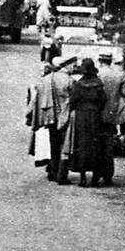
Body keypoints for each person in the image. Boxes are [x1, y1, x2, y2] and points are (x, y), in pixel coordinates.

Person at [66, 59, 107, 188]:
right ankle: (95, 177)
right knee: (95, 145)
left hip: (81, 116)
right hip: (94, 115)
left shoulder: (78, 85)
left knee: (81, 145)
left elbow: (72, 101)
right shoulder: (98, 84)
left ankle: (83, 177)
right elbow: (103, 100)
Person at [95, 48, 125, 187]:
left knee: (96, 144)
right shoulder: (119, 75)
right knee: (108, 145)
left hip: (97, 113)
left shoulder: (97, 75)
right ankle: (108, 174)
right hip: (112, 113)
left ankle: (97, 174)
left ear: (101, 61)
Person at [46, 56, 74, 184]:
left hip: (51, 114)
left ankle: (52, 171)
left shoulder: (50, 78)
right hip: (65, 116)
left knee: (53, 144)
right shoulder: (70, 80)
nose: (73, 67)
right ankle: (62, 175)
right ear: (66, 65)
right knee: (64, 146)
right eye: (72, 65)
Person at [26, 61, 55, 173]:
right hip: (48, 117)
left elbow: (32, 102)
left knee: (44, 142)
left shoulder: (37, 84)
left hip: (40, 119)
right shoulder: (49, 83)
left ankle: (49, 164)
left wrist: (29, 115)